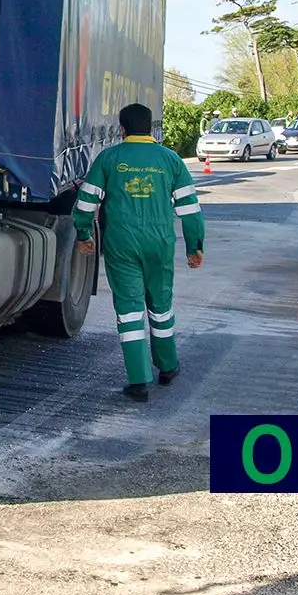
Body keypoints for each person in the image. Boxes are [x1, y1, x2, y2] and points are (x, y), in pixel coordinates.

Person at [72, 104, 206, 402]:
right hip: (160, 244)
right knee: (161, 305)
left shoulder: (109, 158)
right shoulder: (171, 160)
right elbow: (190, 211)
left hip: (121, 245)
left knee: (130, 310)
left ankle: (139, 381)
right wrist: (194, 247)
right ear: (151, 128)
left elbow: (85, 203)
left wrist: (83, 235)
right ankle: (168, 367)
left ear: (122, 129)